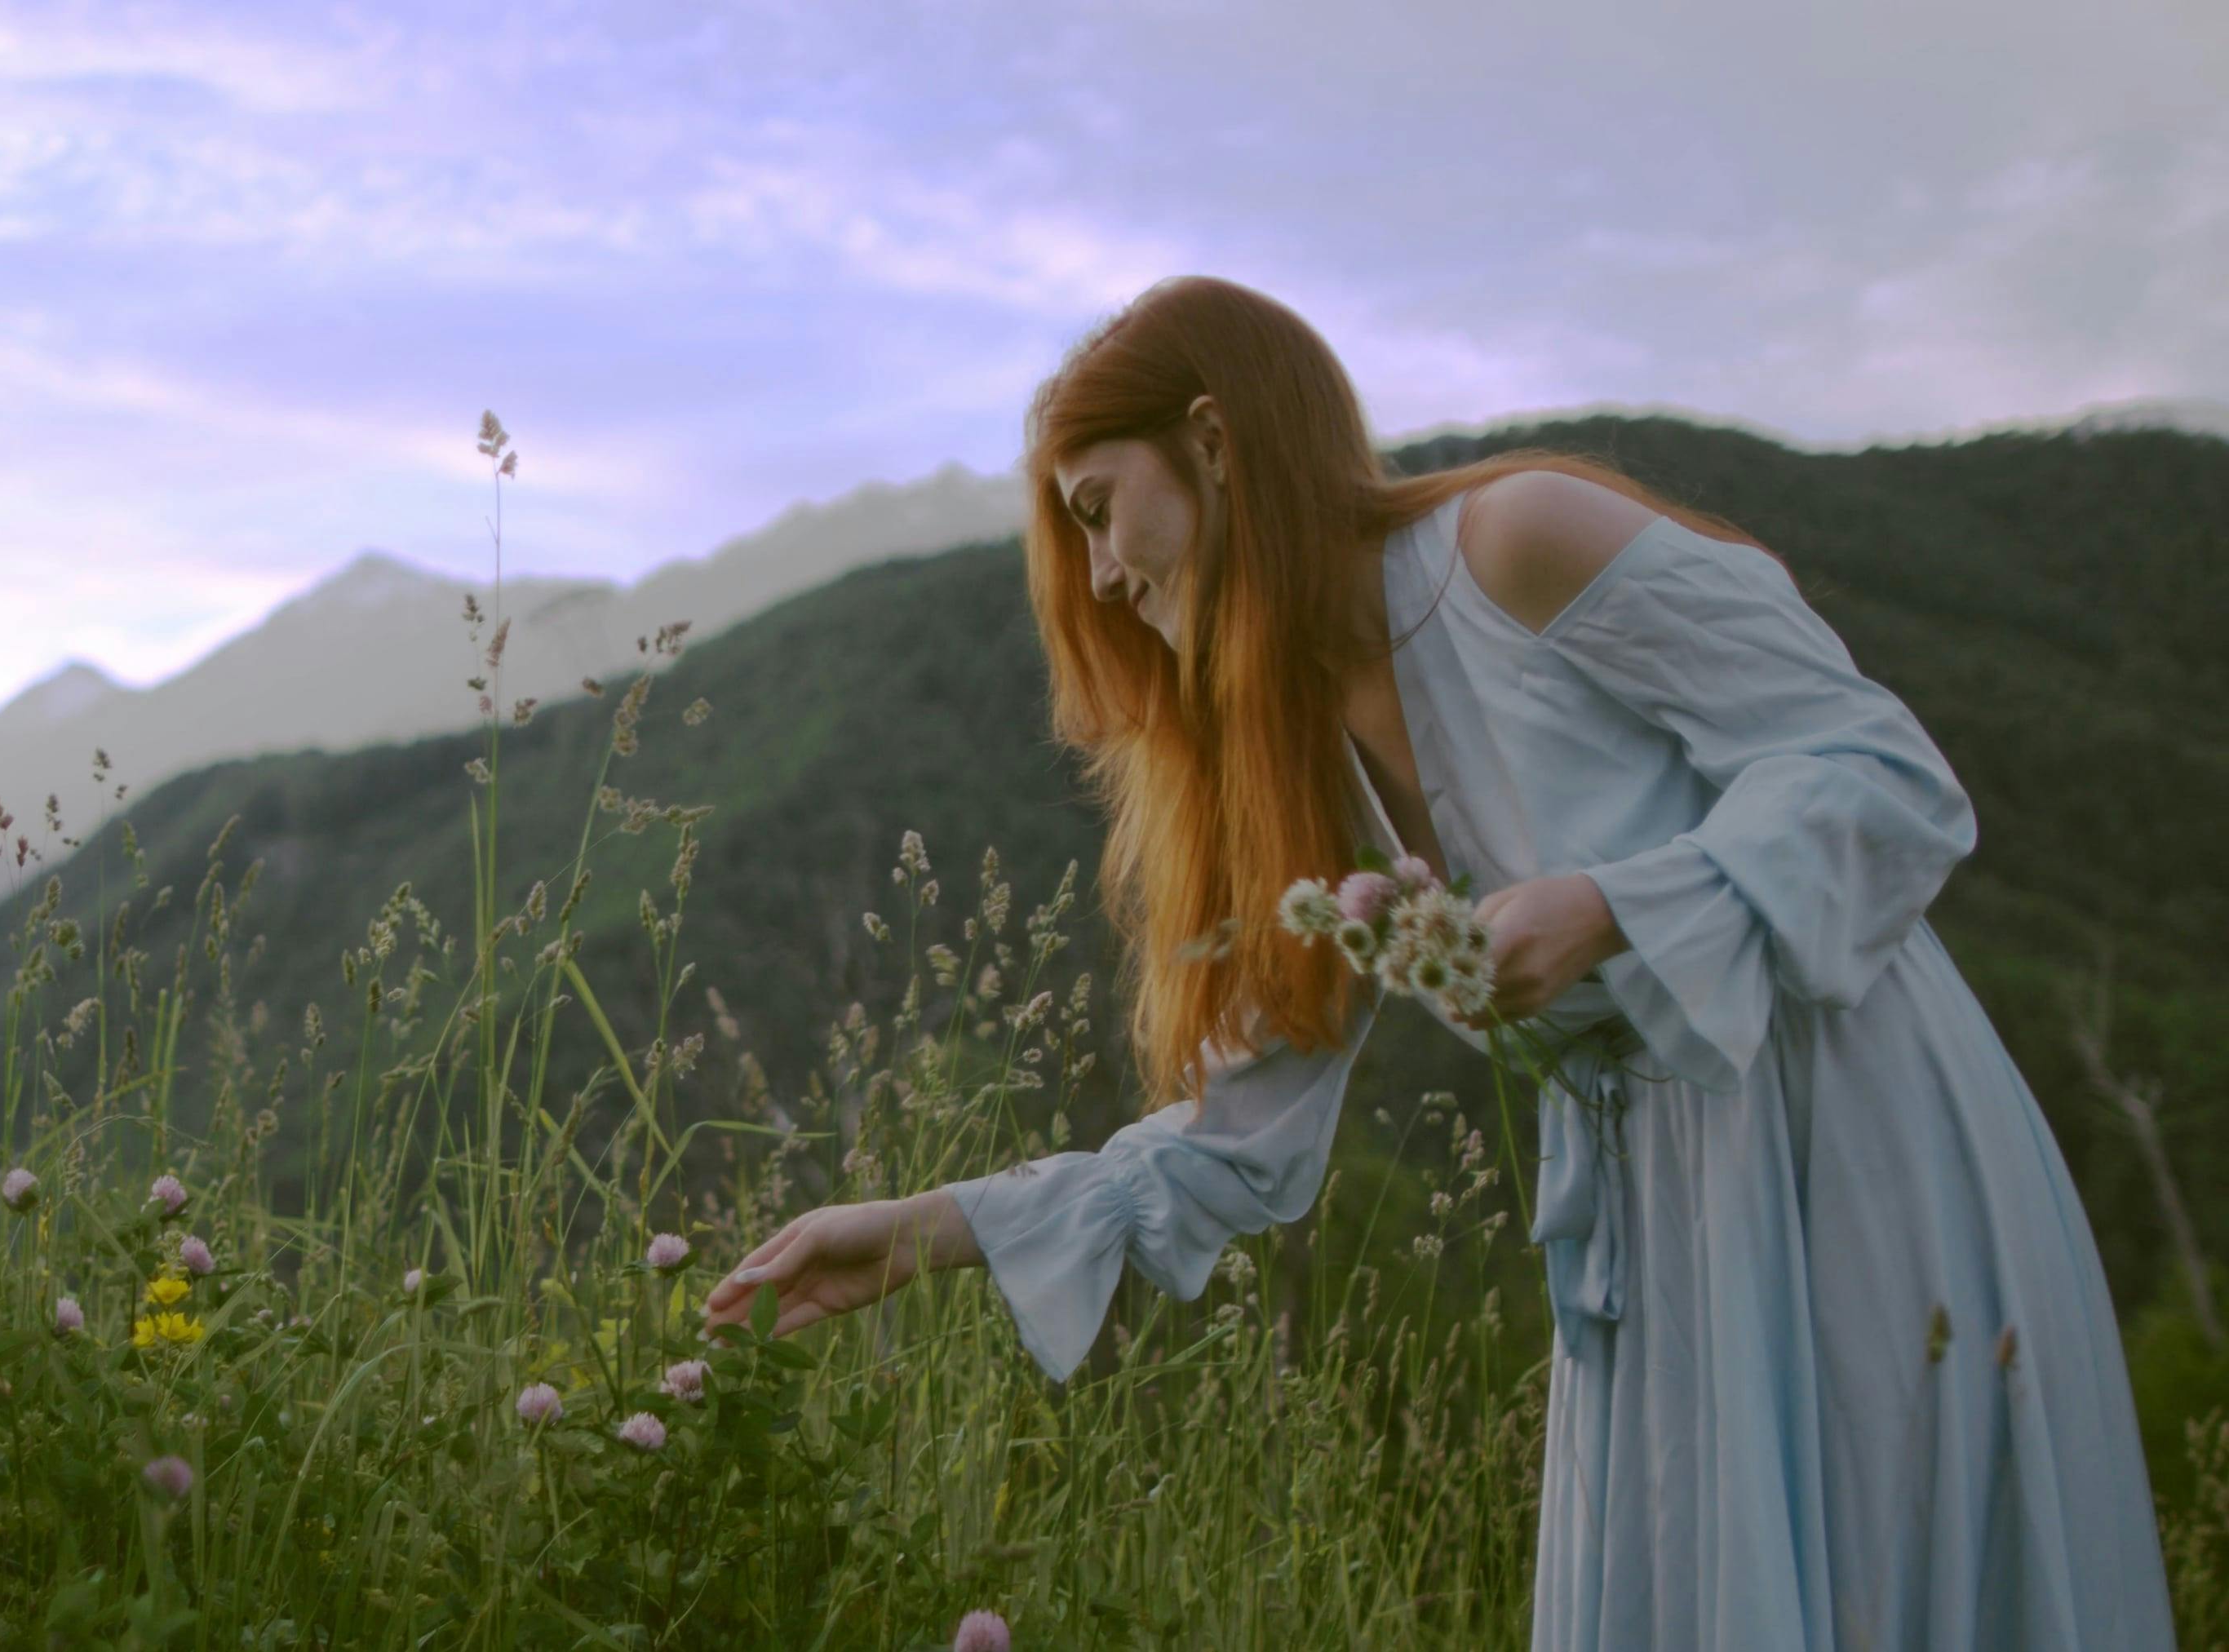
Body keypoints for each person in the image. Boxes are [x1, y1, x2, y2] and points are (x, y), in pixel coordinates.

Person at [698, 276, 2178, 1650]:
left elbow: (1886, 775)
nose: (1095, 577)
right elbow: (1239, 1149)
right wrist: (919, 1232)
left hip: (1850, 1139)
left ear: (1212, 441)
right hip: (1654, 1242)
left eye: (1099, 509)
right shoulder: (1298, 772)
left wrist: (1606, 903)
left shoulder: (1518, 542)